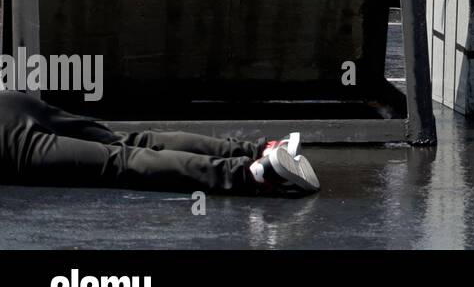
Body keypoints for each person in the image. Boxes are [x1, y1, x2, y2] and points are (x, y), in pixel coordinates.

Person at [0, 92, 318, 196]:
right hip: (10, 103)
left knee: (118, 161)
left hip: (6, 143)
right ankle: (259, 149)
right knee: (130, 141)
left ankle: (252, 173)